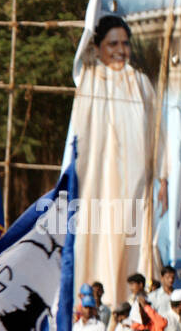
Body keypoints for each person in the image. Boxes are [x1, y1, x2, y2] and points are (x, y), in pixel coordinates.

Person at [67, 15, 167, 296]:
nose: (119, 50)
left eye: (124, 43)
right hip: (98, 185)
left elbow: (157, 135)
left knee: (132, 242)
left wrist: (163, 178)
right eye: (112, 44)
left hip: (135, 185)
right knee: (99, 242)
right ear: (98, 47)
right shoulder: (88, 80)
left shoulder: (141, 83)